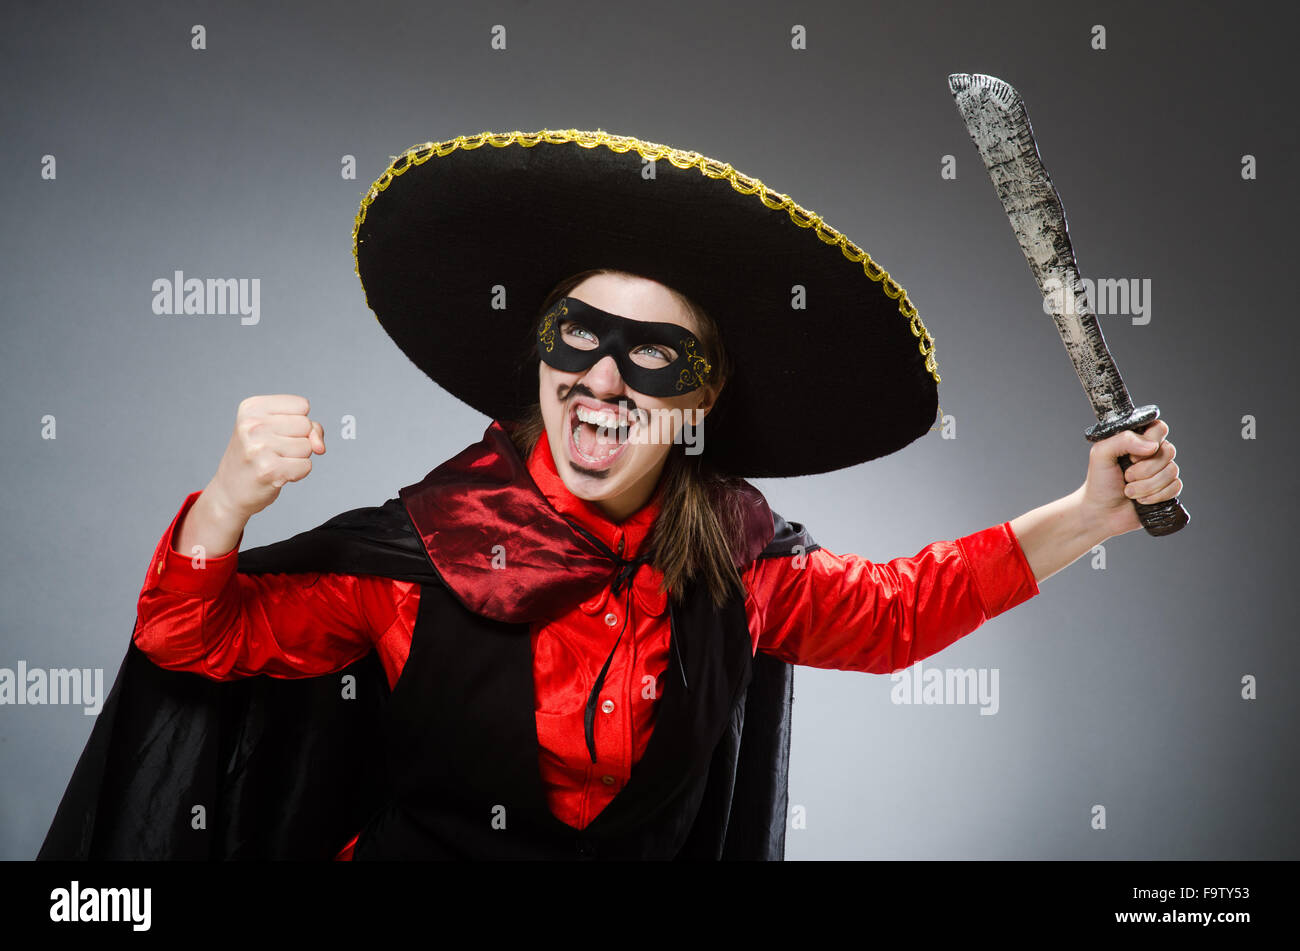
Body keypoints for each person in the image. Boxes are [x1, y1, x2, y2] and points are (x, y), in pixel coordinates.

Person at [38, 130, 1182, 861]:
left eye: (652, 358)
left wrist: (1090, 515)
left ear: (702, 403)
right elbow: (192, 637)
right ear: (536, 359)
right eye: (576, 336)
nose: (600, 377)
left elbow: (890, 615)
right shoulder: (417, 557)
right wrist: (227, 504)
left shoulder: (736, 563)